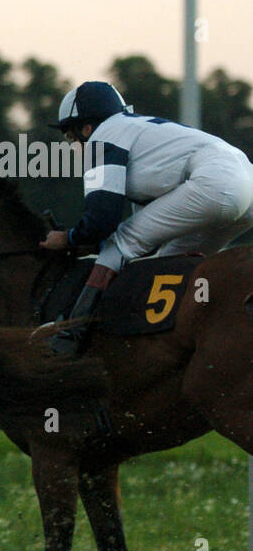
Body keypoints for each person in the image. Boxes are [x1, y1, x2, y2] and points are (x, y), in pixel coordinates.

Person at [40, 80, 253, 356]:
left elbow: (102, 223)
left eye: (71, 138)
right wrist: (87, 240)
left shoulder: (104, 137)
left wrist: (68, 238)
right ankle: (185, 334)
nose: (72, 148)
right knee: (167, 263)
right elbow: (146, 239)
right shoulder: (139, 133)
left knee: (119, 245)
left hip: (215, 182)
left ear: (86, 129)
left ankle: (69, 336)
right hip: (245, 185)